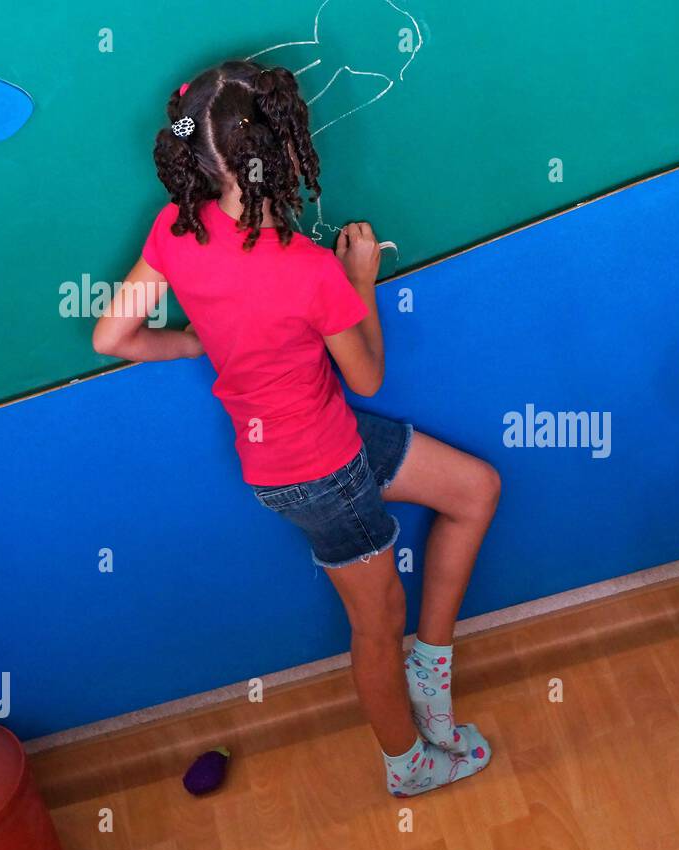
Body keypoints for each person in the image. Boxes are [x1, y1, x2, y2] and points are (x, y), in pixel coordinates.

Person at [92, 61, 499, 794]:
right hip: (321, 471)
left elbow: (111, 337)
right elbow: (370, 375)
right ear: (283, 152)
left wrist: (194, 340)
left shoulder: (173, 231)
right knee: (376, 626)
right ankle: (407, 765)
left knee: (475, 489)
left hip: (310, 451)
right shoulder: (308, 269)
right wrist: (361, 283)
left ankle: (430, 666)